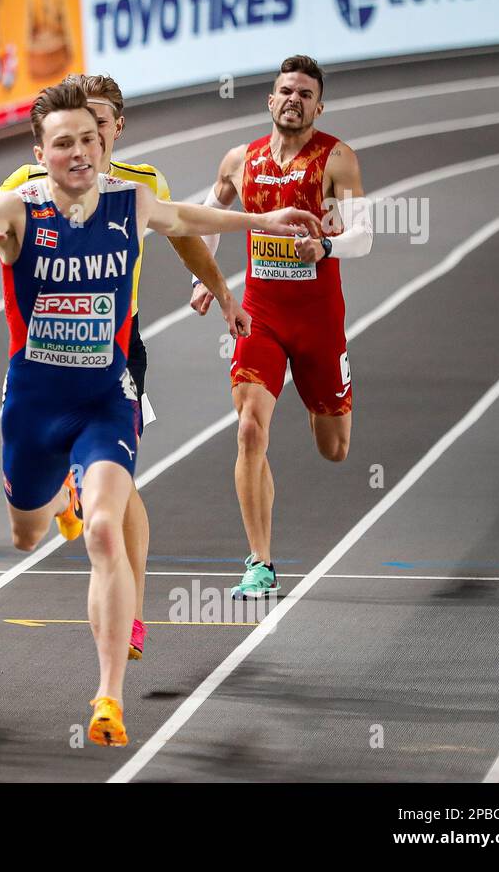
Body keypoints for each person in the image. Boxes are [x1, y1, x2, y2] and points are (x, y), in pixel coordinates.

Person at [0, 82, 317, 745]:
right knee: (27, 533)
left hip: (106, 397)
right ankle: (59, 498)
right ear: (40, 152)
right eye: (63, 143)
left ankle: (108, 697)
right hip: (33, 404)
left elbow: (191, 221)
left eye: (88, 138)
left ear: (104, 139)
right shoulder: (14, 206)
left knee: (106, 529)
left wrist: (265, 223)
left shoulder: (130, 200)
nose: (79, 152)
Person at [0, 72, 211, 663]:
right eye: (74, 127)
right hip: (41, 352)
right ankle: (64, 497)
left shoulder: (142, 185)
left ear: (115, 127)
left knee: (120, 492)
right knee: (31, 523)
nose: (86, 138)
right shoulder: (28, 184)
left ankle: (134, 613)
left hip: (116, 347)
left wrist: (217, 285)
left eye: (98, 124)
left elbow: (185, 233)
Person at [189, 55, 372, 600]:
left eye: (305, 93)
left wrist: (329, 245)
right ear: (270, 101)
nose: (293, 99)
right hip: (260, 317)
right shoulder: (239, 161)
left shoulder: (336, 159)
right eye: (285, 90)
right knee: (249, 430)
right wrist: (207, 275)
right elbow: (207, 216)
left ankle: (321, 400)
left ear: (319, 105)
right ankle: (261, 563)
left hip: (318, 324)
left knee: (334, 449)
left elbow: (365, 233)